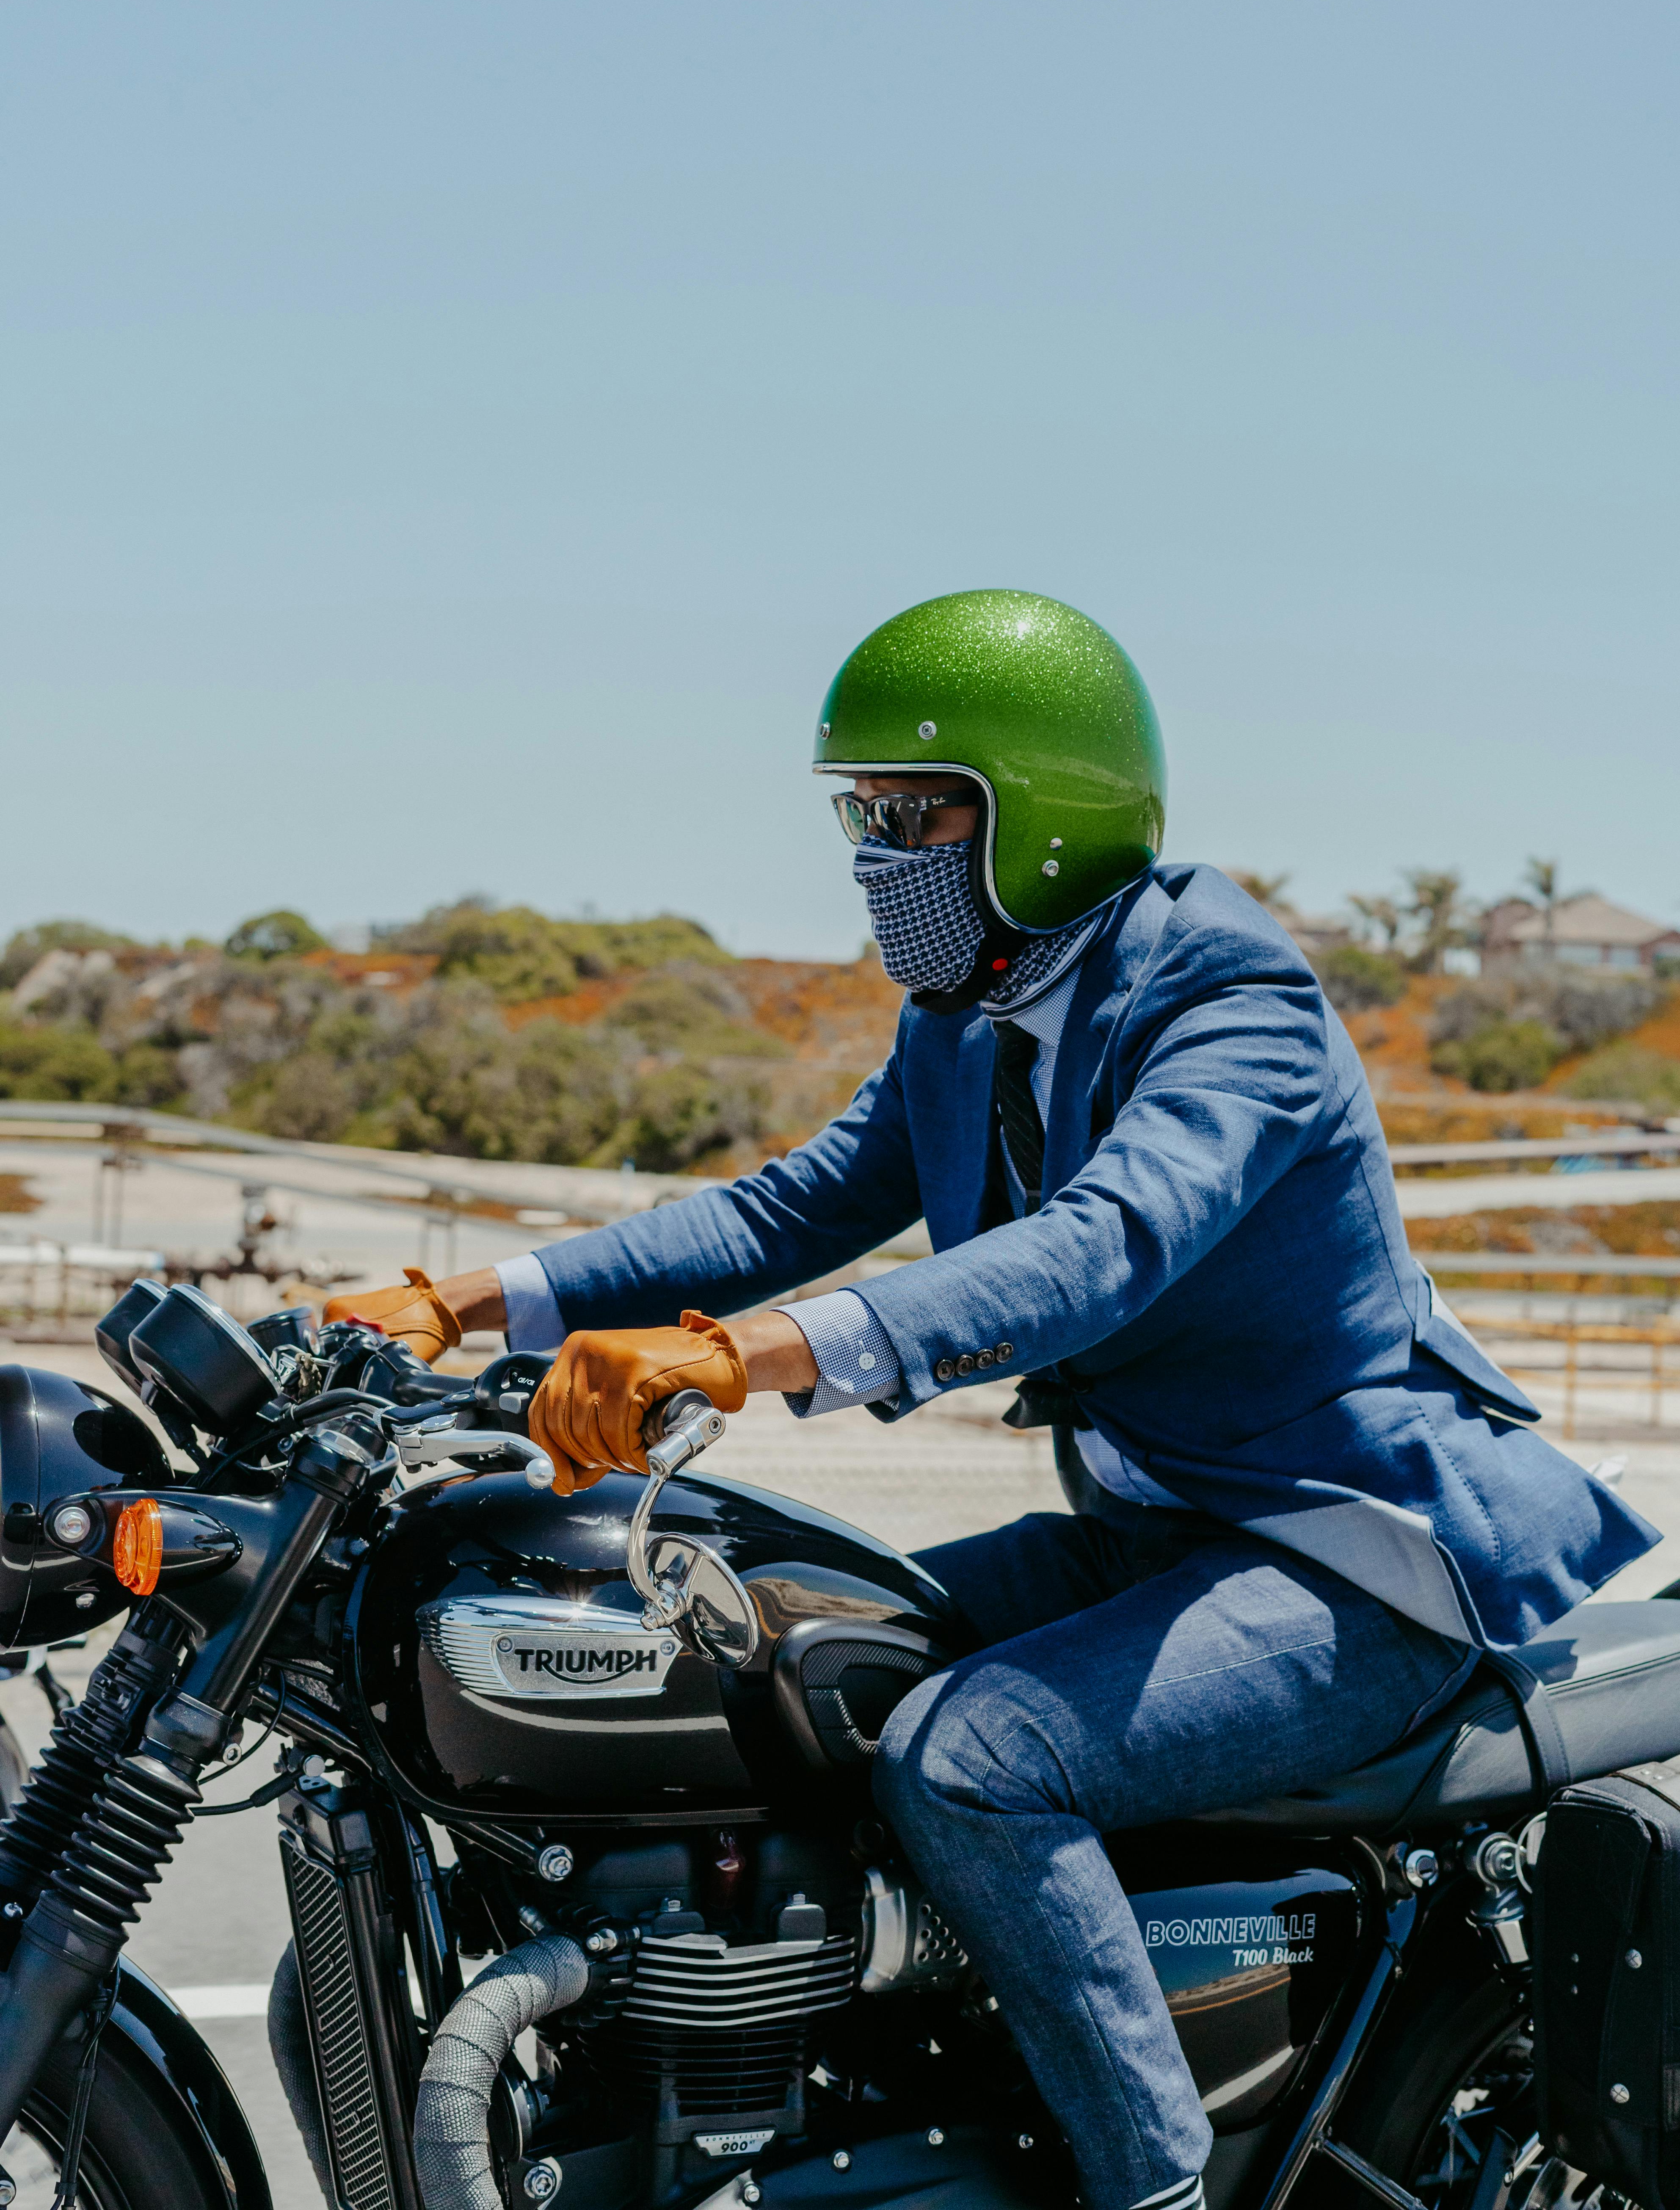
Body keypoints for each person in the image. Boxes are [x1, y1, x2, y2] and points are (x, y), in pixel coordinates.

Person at [329, 587, 1656, 2210]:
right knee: (804, 1658)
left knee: (976, 1758)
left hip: (1350, 1554)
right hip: (1167, 1535)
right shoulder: (966, 1023)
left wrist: (745, 1355)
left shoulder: (1234, 1002)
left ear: (1042, 811)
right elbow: (790, 1205)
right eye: (863, 814)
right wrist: (474, 1296)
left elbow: (1105, 1244)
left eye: (916, 813)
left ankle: (1152, 2186)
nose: (878, 853)